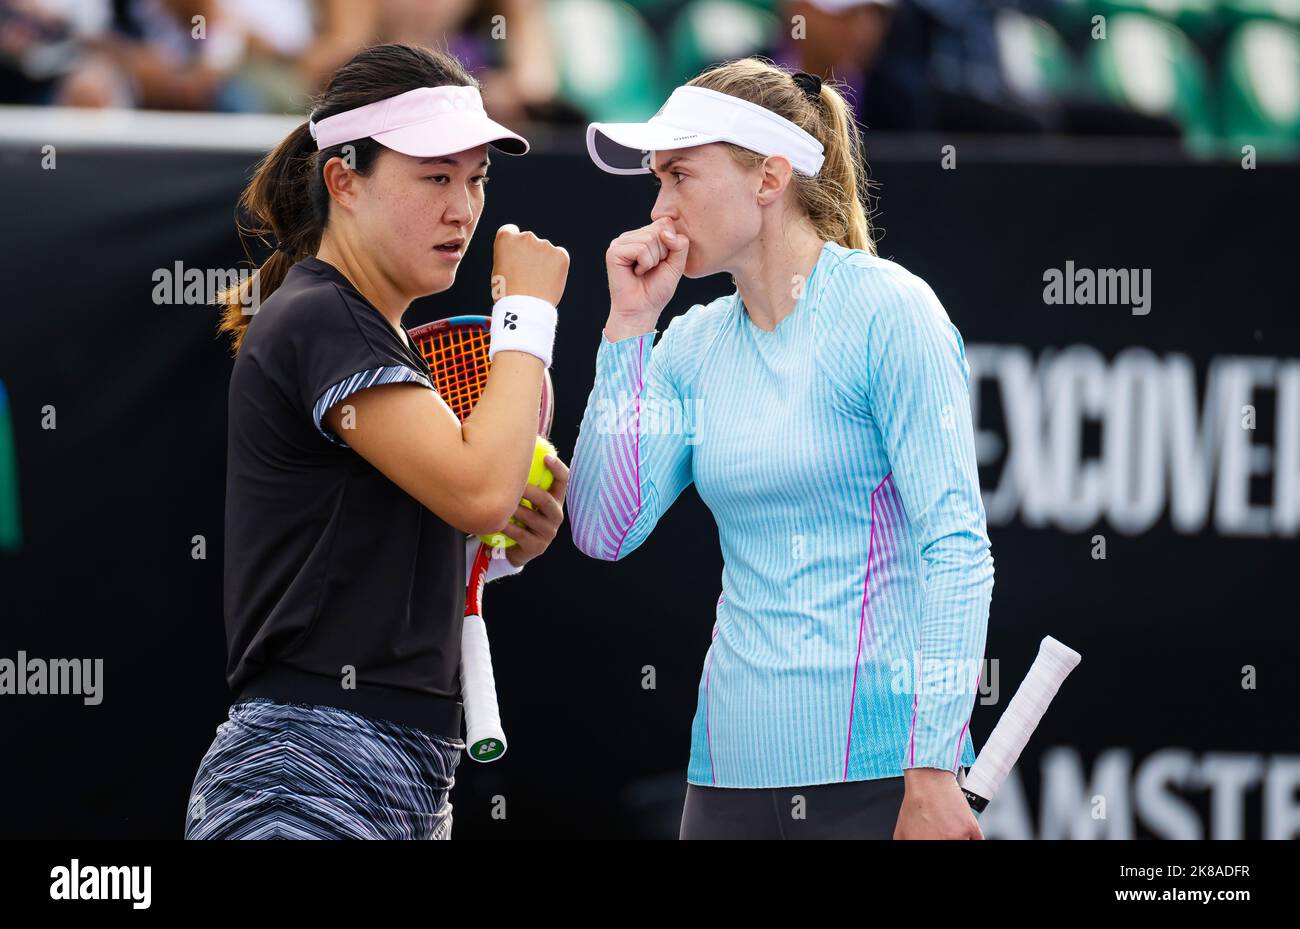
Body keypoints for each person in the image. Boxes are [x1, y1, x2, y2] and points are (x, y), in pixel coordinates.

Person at [570, 57, 993, 839]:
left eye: (679, 175)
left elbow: (959, 548)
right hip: (726, 772)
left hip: (881, 775)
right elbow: (603, 528)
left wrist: (934, 766)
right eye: (657, 180)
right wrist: (627, 329)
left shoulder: (891, 310)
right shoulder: (690, 344)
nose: (659, 206)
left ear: (768, 179)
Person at [186, 43, 571, 839]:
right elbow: (478, 488)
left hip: (399, 780)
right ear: (343, 181)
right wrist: (526, 313)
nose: (464, 208)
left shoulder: (353, 329)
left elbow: (391, 543)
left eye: (476, 178)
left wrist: (494, 552)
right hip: (301, 782)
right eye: (436, 176)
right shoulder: (321, 314)